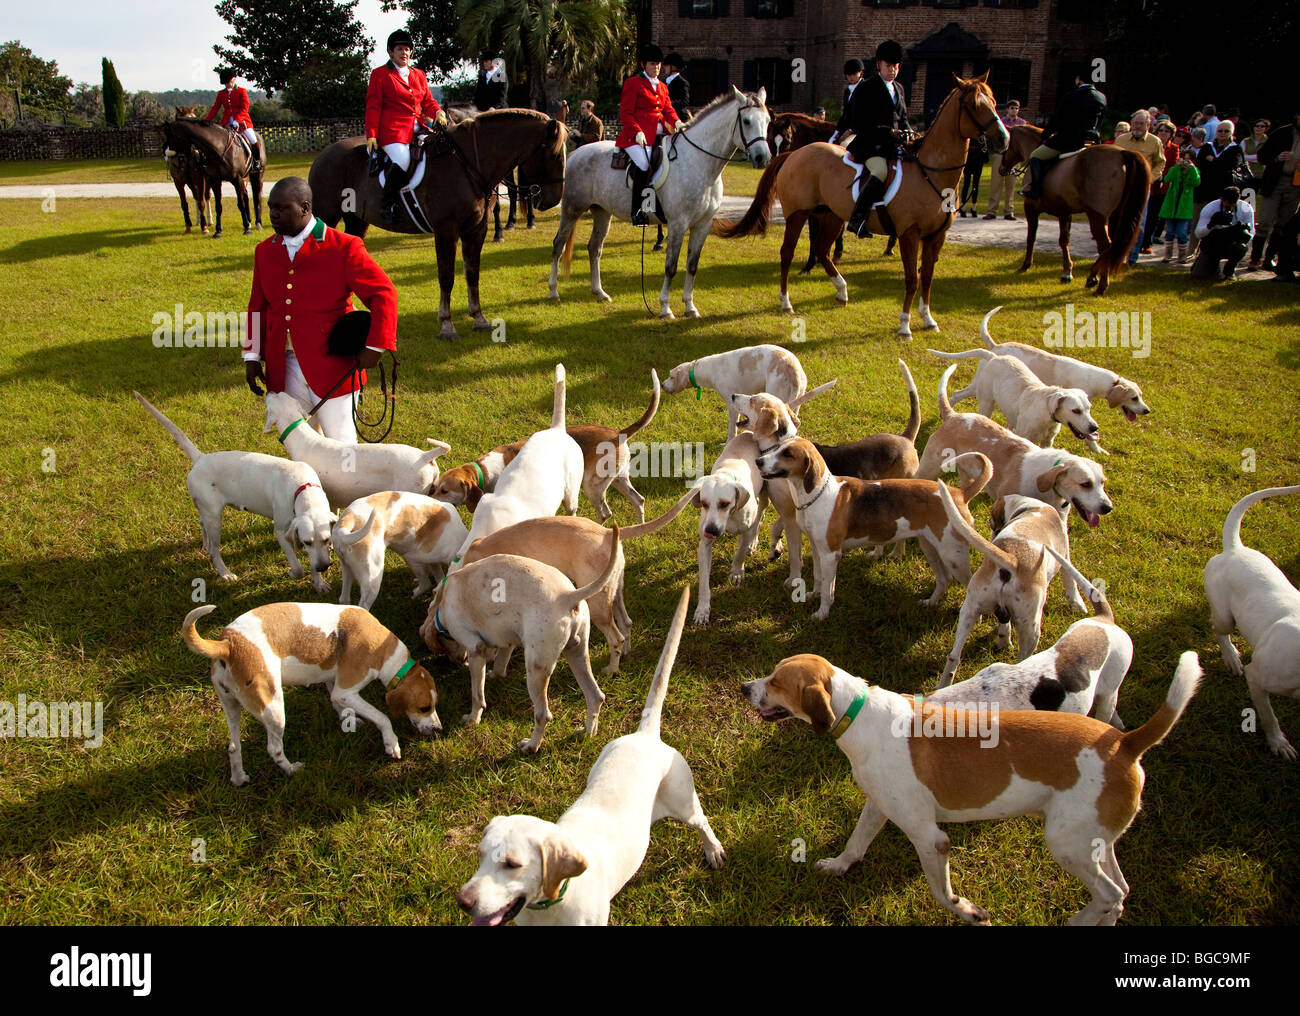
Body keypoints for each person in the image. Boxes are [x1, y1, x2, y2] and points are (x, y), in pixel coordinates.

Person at [243, 177, 398, 445]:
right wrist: (252, 355)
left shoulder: (344, 246)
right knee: (299, 445)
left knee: (342, 446)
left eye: (282, 208)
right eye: (270, 207)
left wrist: (375, 347)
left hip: (332, 365)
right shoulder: (264, 251)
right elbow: (257, 306)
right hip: (283, 364)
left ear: (305, 208)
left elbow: (383, 293)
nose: (273, 215)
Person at [365, 30, 447, 225]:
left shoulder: (418, 74)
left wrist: (437, 112)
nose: (405, 53)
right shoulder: (380, 75)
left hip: (419, 125)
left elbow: (427, 100)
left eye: (408, 49)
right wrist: (372, 135)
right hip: (392, 131)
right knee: (403, 160)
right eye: (400, 49)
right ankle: (387, 203)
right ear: (390, 52)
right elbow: (373, 107)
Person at [844, 41, 910, 238]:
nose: (893, 70)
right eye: (889, 66)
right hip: (870, 145)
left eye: (896, 67)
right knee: (880, 171)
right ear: (879, 64)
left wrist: (909, 132)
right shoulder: (866, 88)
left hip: (894, 146)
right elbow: (858, 122)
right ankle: (857, 219)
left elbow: (903, 118)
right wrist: (888, 132)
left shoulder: (899, 88)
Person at [615, 43, 684, 227]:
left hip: (660, 136)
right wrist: (636, 131)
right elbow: (626, 114)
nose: (657, 67)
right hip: (636, 138)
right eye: (653, 64)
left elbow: (668, 109)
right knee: (644, 164)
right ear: (643, 64)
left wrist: (677, 122)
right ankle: (637, 210)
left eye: (659, 64)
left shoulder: (662, 86)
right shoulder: (633, 83)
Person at [1021, 73, 1105, 199]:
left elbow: (1057, 119)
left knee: (1035, 156)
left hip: (1068, 140)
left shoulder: (1071, 96)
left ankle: (1035, 190)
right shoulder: (1102, 97)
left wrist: (1045, 134)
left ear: (1078, 79)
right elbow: (1101, 120)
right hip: (1091, 140)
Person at [1113, 110, 1166, 262]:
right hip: (1122, 186)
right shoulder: (1122, 140)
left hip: (1142, 188)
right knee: (1118, 220)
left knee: (1138, 223)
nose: (1138, 126)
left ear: (1148, 125)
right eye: (1135, 123)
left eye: (1141, 123)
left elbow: (1160, 162)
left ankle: (1132, 257)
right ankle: (1117, 254)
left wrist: (1150, 178)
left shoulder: (1154, 142)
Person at [1189, 121, 1244, 259]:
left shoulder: (1235, 149)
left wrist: (1213, 162)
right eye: (1220, 131)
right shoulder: (1208, 146)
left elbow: (1232, 166)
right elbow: (1200, 164)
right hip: (1203, 192)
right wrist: (1218, 164)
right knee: (1197, 222)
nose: (1223, 134)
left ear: (1232, 133)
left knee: (1219, 224)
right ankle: (1191, 252)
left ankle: (1212, 253)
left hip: (1222, 194)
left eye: (1226, 131)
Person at [1253, 109, 1300, 270]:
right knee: (1265, 221)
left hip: (1296, 185)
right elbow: (1262, 156)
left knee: (1283, 225)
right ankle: (1255, 258)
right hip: (1276, 182)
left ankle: (1269, 258)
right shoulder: (1283, 133)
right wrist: (1277, 158)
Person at [1190, 185, 1254, 280]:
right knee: (1200, 275)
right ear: (1221, 199)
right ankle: (1207, 264)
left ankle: (1229, 271)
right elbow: (1198, 234)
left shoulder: (1246, 208)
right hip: (1212, 244)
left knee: (1241, 248)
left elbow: (1251, 233)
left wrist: (1242, 230)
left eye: (1233, 204)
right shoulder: (1210, 208)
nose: (1230, 207)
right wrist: (1210, 225)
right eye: (1228, 204)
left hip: (1232, 244)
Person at [204, 69, 260, 173]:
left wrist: (237, 120)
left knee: (253, 140)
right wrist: (206, 120)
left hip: (242, 122)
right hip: (226, 122)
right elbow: (215, 108)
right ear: (232, 79)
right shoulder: (221, 93)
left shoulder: (241, 91)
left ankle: (257, 162)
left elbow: (245, 107)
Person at [984, 98, 1027, 220]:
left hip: (1014, 158)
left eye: (1016, 108)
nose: (1014, 110)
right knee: (995, 184)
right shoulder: (1000, 122)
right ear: (1007, 109)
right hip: (1000, 155)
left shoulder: (1022, 123)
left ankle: (1009, 211)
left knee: (1011, 185)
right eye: (1012, 108)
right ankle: (992, 210)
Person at [1142, 119, 1180, 250]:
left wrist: (1160, 177)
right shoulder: (1150, 144)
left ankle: (1147, 242)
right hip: (1148, 181)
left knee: (1154, 215)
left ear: (1171, 134)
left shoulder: (1174, 148)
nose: (1163, 133)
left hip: (1162, 185)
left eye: (1166, 131)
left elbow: (1172, 166)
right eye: (1161, 130)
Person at [1158, 147, 1199, 263]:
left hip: (1184, 208)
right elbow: (1167, 178)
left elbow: (1196, 182)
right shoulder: (1175, 170)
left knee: (1181, 232)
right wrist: (1177, 166)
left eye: (1188, 160)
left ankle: (1182, 255)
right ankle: (1167, 255)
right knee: (1170, 232)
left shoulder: (1194, 171)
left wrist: (1192, 169)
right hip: (1171, 206)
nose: (1185, 162)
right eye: (1184, 159)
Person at [827, 58, 865, 146]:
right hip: (847, 130)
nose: (851, 77)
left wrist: (851, 130)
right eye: (848, 75)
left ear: (860, 73)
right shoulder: (848, 91)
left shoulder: (865, 88)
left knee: (845, 145)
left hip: (860, 130)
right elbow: (845, 114)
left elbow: (864, 114)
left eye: (854, 74)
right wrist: (835, 133)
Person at [958, 137, 985, 217]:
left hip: (975, 159)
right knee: (968, 183)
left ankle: (972, 207)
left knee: (973, 184)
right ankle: (966, 207)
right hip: (971, 159)